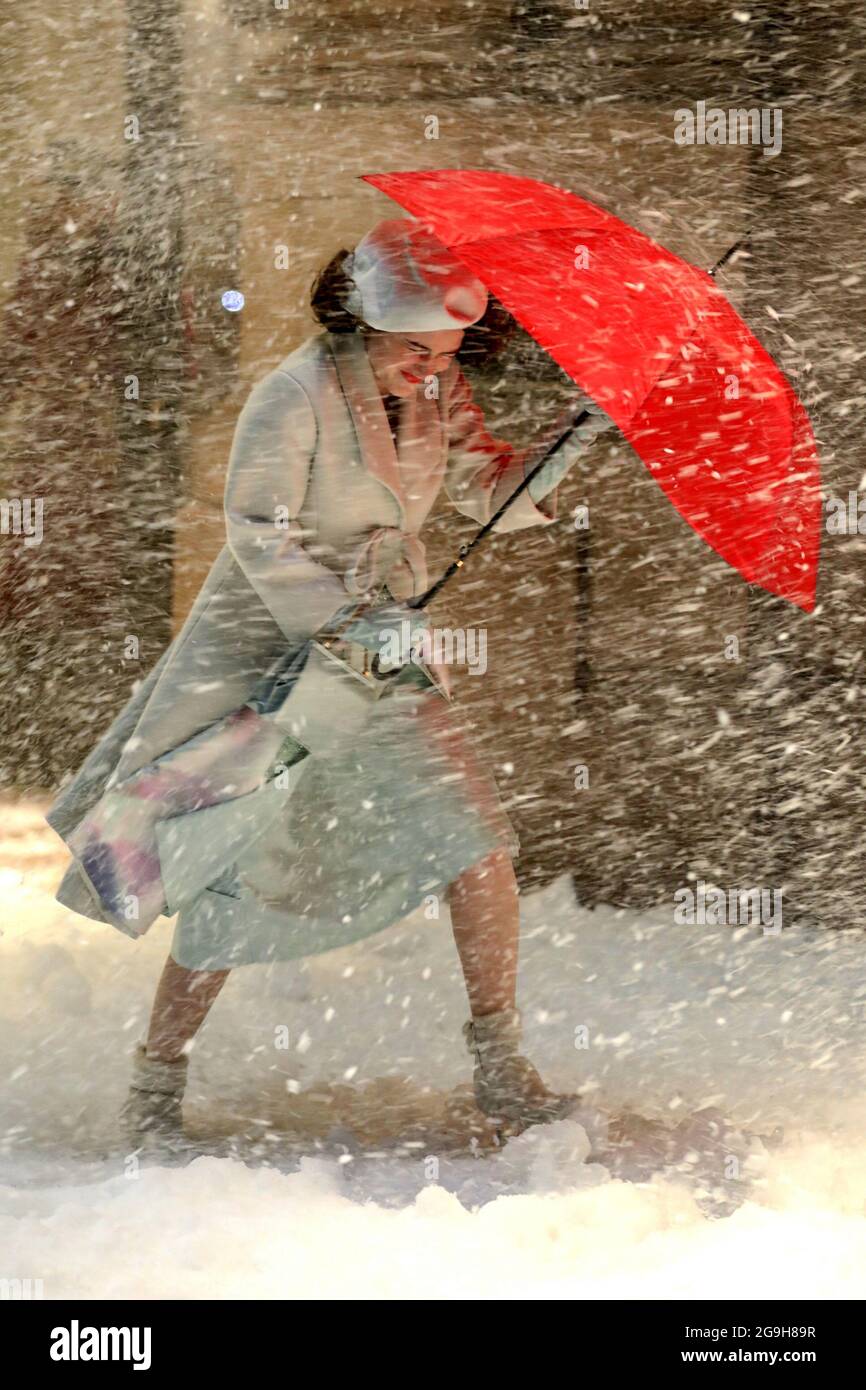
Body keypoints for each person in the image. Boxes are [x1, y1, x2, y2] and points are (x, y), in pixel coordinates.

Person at [46, 217, 613, 1147]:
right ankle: (155, 1087)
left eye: (446, 353)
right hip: (275, 662)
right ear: (362, 323)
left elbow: (487, 488)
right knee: (228, 860)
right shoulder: (294, 394)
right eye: (413, 351)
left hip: (388, 665)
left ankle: (501, 1068)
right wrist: (343, 617)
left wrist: (575, 437)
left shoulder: (433, 391)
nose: (430, 370)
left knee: (476, 841)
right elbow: (259, 532)